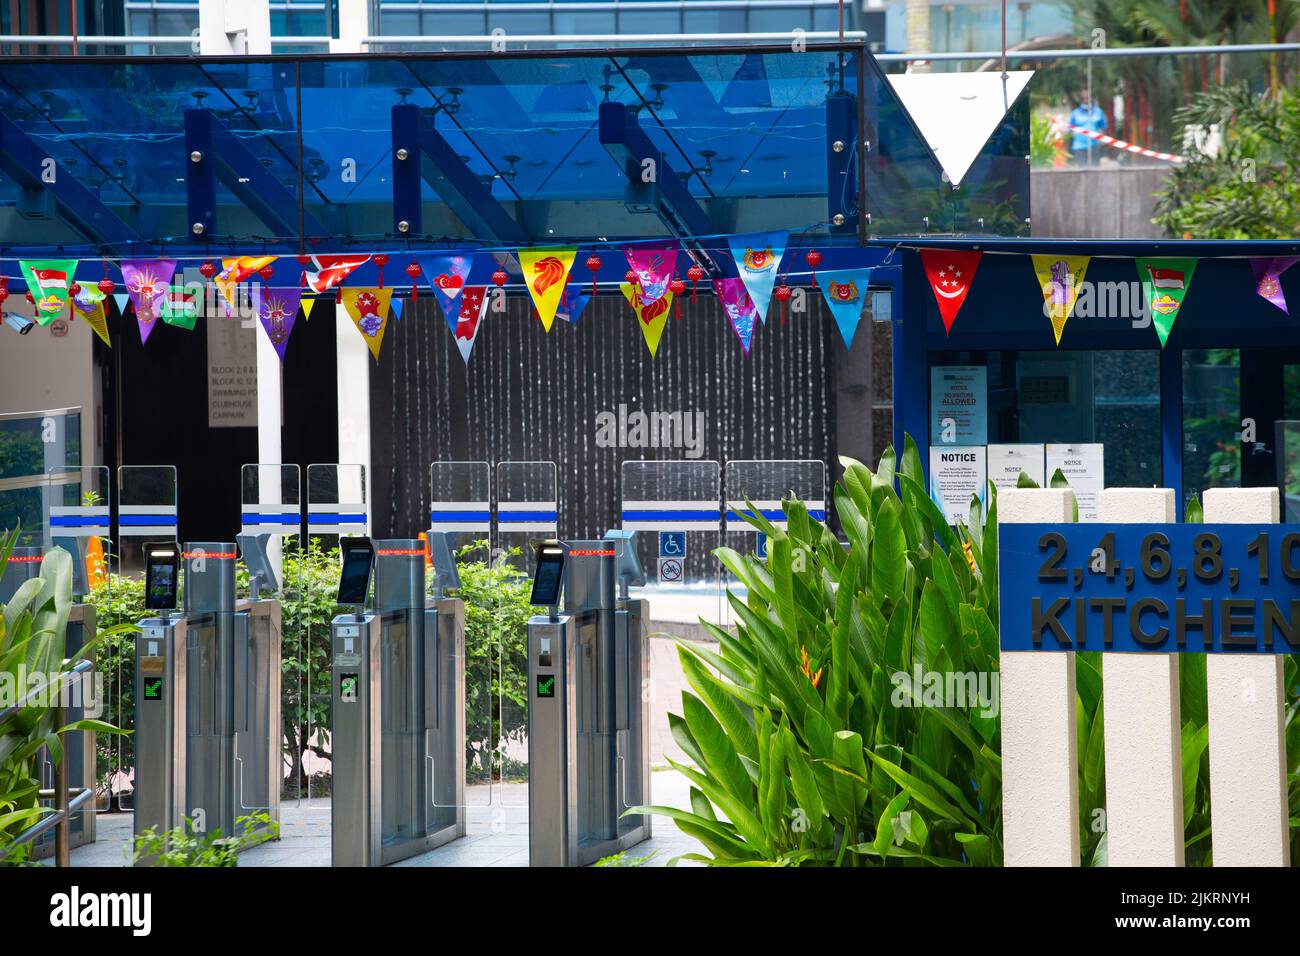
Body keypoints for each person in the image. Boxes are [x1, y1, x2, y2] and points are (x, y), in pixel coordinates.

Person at [1068, 89, 1107, 166]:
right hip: (1079, 146)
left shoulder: (1098, 112)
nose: (1086, 100)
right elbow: (1069, 129)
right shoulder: (1075, 113)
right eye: (1083, 98)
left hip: (1094, 146)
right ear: (1081, 100)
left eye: (1087, 98)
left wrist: (1101, 142)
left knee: (1095, 170)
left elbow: (1103, 128)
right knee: (1082, 171)